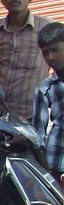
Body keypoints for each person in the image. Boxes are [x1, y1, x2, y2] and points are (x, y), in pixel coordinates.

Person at [0, 0, 52, 205]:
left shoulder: (46, 29)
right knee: (3, 192)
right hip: (2, 125)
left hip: (35, 127)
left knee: (36, 192)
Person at [31, 22, 64, 179]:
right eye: (45, 52)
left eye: (55, 50)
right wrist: (47, 173)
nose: (50, 57)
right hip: (57, 163)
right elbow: (38, 136)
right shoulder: (45, 88)